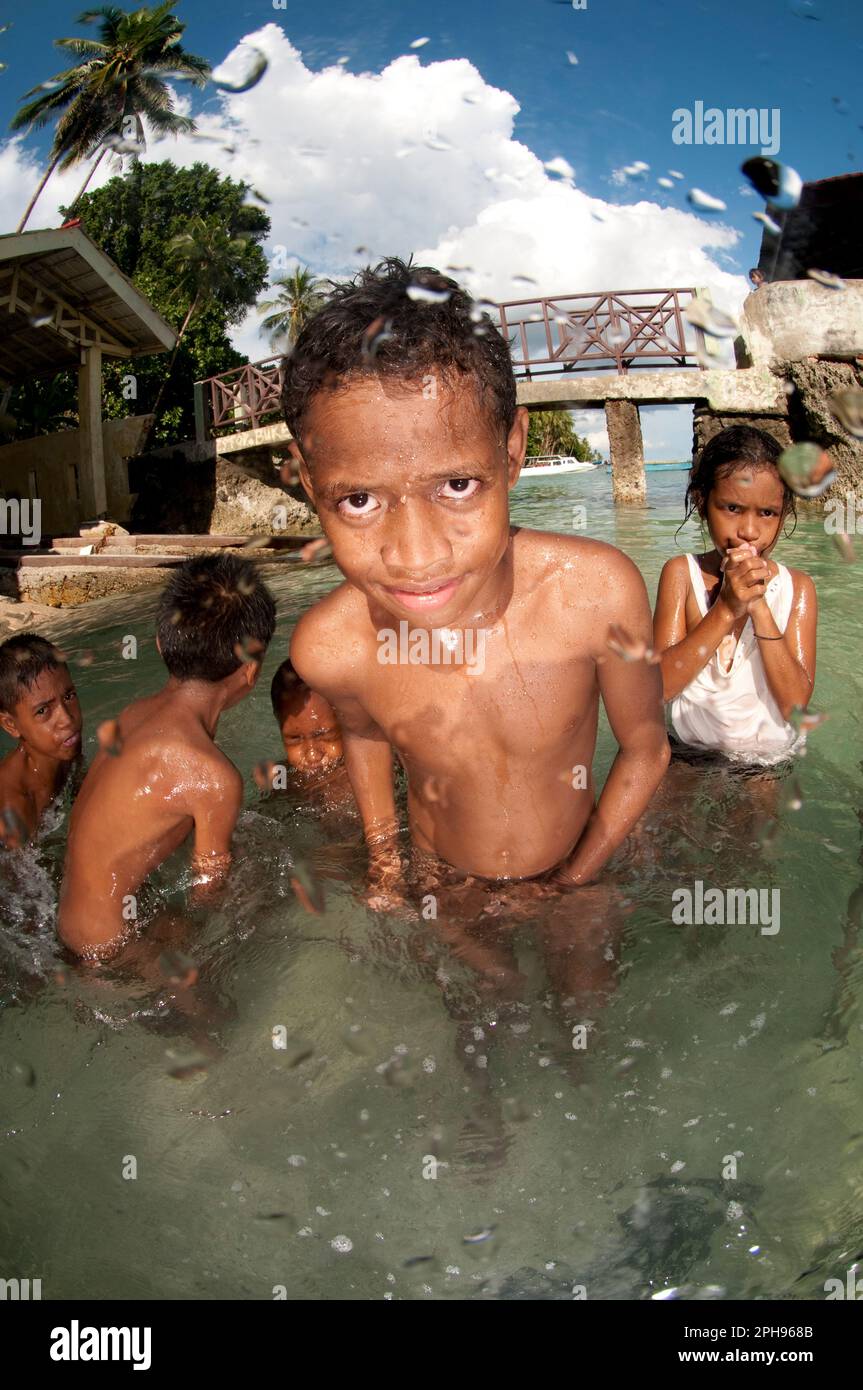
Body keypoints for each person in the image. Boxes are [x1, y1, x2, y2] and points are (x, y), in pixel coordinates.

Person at [282, 257, 670, 902]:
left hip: (578, 867)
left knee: (586, 991)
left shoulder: (594, 593)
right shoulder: (331, 647)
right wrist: (386, 863)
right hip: (446, 884)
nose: (414, 556)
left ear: (511, 452)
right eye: (358, 501)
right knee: (474, 1000)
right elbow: (365, 735)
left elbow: (647, 747)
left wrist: (575, 878)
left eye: (457, 485)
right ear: (304, 474)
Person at [58, 553, 276, 961]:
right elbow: (208, 892)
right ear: (251, 670)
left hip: (68, 925)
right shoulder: (213, 779)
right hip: (114, 949)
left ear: (160, 643)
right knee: (215, 1016)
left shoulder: (132, 715)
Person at [653, 425, 817, 763]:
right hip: (688, 751)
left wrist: (758, 606)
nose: (749, 531)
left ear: (783, 514)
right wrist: (727, 607)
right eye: (731, 508)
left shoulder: (798, 588)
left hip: (766, 760)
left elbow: (795, 707)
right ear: (702, 503)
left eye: (767, 513)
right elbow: (658, 689)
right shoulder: (682, 575)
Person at [0, 634, 82, 849]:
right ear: (11, 725)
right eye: (43, 710)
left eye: (69, 696)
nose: (66, 719)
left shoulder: (64, 748)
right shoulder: (12, 813)